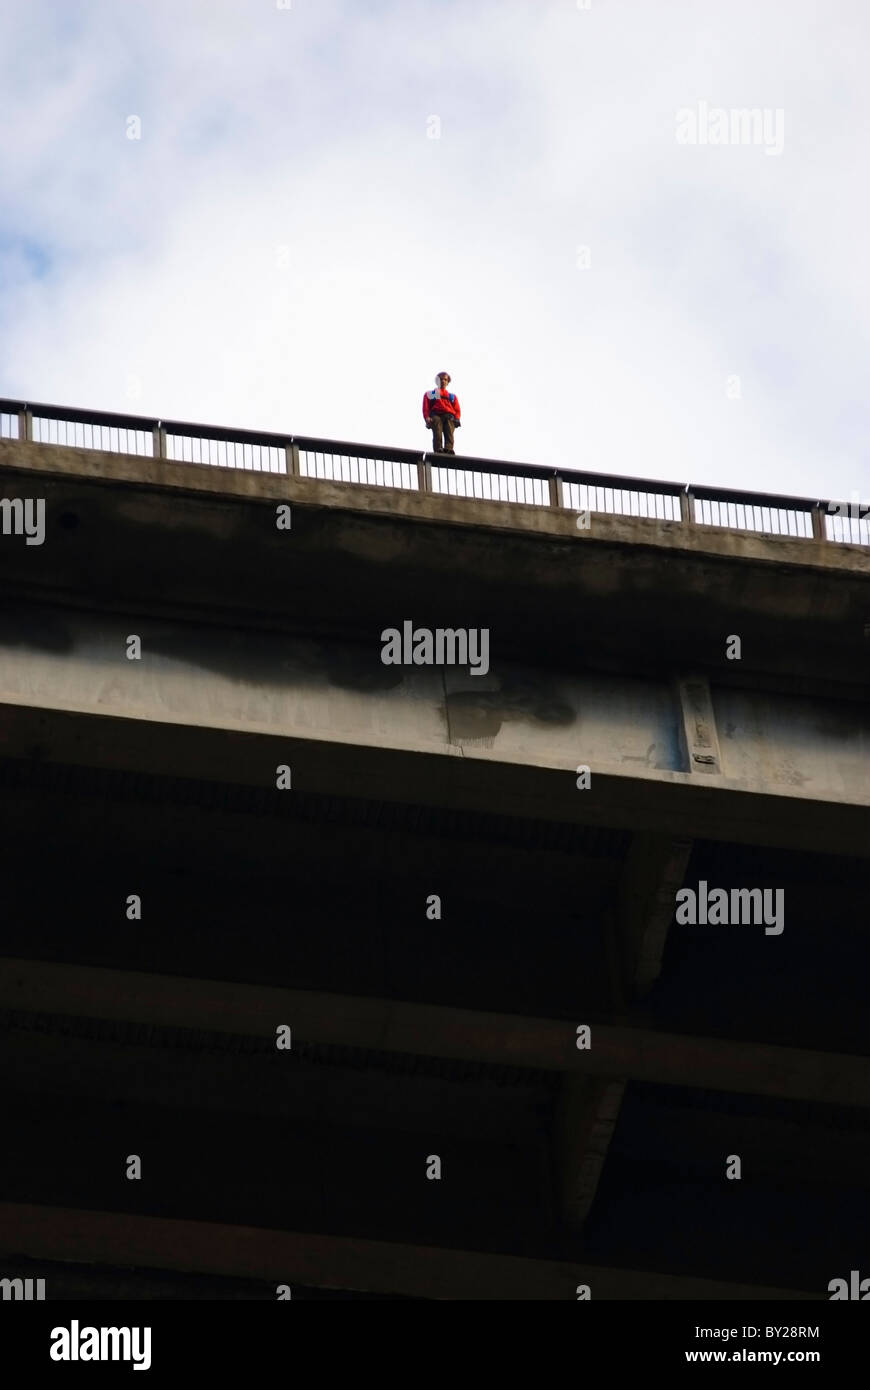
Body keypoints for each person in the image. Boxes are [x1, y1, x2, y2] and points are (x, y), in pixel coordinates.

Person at [422, 372, 461, 454]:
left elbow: (457, 409)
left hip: (449, 415)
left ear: (448, 382)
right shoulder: (432, 394)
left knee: (449, 430)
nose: (443, 381)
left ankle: (448, 448)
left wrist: (457, 418)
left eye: (445, 379)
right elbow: (426, 407)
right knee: (437, 430)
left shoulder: (451, 396)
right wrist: (427, 418)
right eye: (441, 379)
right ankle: (438, 448)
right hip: (436, 414)